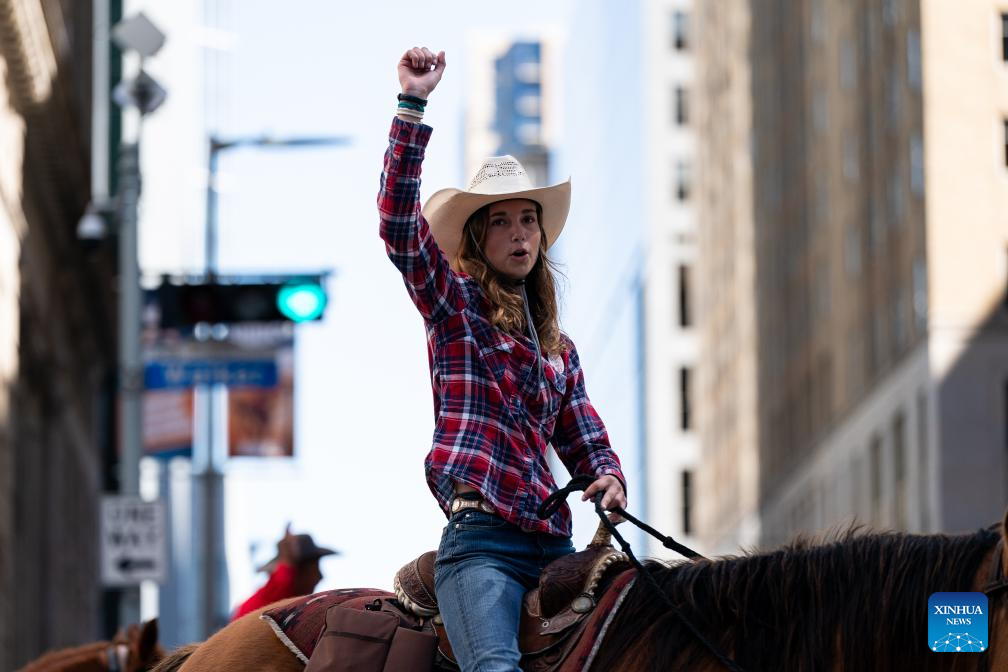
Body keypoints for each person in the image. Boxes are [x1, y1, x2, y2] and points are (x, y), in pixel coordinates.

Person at [378, 46, 628, 672]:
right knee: (494, 669)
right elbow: (399, 229)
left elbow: (585, 435)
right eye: (502, 223)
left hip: (556, 544)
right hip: (482, 544)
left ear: (541, 239)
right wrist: (412, 105)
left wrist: (609, 475)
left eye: (528, 222)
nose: (518, 234)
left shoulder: (558, 350)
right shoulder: (453, 307)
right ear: (478, 239)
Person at [231, 525, 338, 621]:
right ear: (299, 573)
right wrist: (287, 558)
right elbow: (283, 581)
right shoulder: (281, 593)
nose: (320, 576)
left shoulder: (289, 603)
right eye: (314, 569)